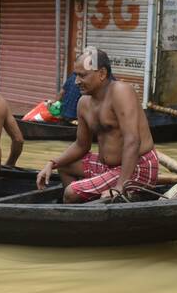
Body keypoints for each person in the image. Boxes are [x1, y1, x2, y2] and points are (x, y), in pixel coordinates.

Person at [35, 47, 161, 203]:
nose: (76, 82)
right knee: (65, 166)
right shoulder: (83, 102)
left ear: (101, 74)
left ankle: (79, 209)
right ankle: (86, 206)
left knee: (70, 192)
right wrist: (51, 163)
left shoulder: (121, 92)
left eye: (82, 76)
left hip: (138, 167)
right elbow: (81, 145)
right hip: (108, 166)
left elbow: (132, 140)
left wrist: (120, 186)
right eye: (76, 75)